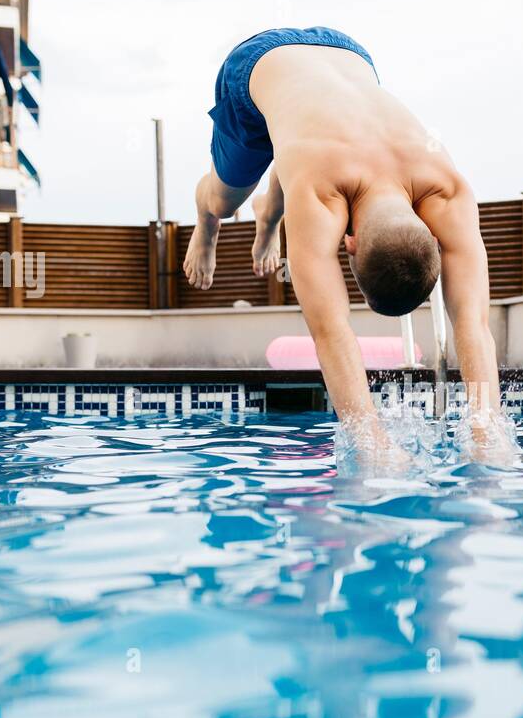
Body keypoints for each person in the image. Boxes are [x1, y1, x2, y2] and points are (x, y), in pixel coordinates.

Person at [182, 26, 502, 445]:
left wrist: (487, 432)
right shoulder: (320, 193)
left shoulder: (446, 187)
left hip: (348, 52)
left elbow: (475, 325)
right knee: (224, 200)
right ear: (347, 242)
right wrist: (372, 442)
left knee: (302, 155)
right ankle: (208, 225)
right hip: (253, 66)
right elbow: (330, 331)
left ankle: (269, 211)